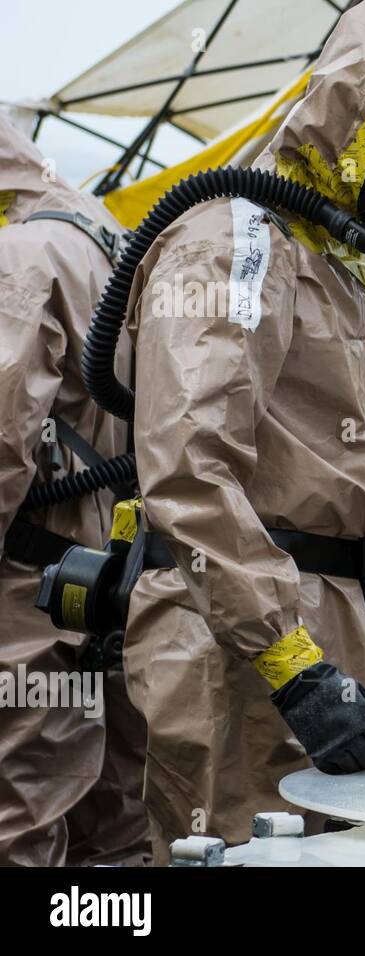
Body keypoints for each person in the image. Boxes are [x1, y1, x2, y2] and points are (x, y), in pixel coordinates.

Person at [121, 0, 365, 858]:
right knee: (243, 848)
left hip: (351, 626)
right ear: (351, 133)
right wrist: (294, 668)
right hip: (235, 649)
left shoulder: (358, 264)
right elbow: (187, 471)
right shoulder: (239, 241)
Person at [0, 111, 150, 865]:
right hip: (110, 595)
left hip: (26, 606)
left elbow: (1, 438)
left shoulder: (20, 257)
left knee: (18, 824)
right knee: (117, 826)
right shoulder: (107, 236)